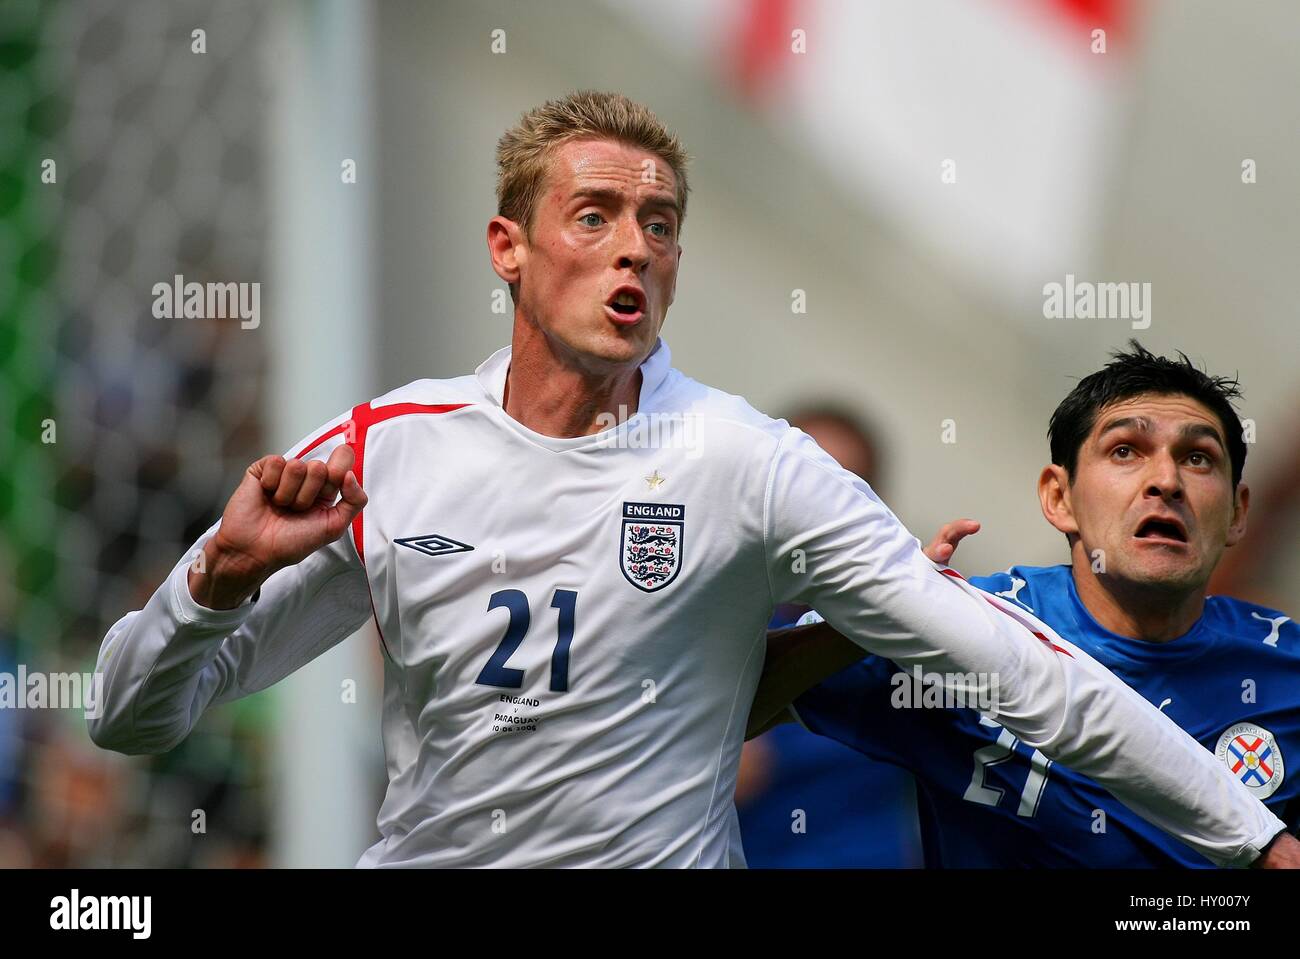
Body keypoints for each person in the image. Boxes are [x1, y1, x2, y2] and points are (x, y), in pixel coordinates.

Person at [87, 91, 1297, 868]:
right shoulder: (387, 448)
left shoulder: (746, 461)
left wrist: (1253, 842)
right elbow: (130, 717)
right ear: (508, 247)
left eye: (659, 224)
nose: (633, 248)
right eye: (596, 214)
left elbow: (1026, 672)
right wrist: (218, 578)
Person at [750, 342, 1300, 866]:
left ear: (1236, 513)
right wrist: (884, 611)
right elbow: (730, 703)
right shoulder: (962, 630)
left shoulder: (1285, 673)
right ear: (1059, 498)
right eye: (1126, 451)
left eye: (1198, 458)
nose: (1166, 480)